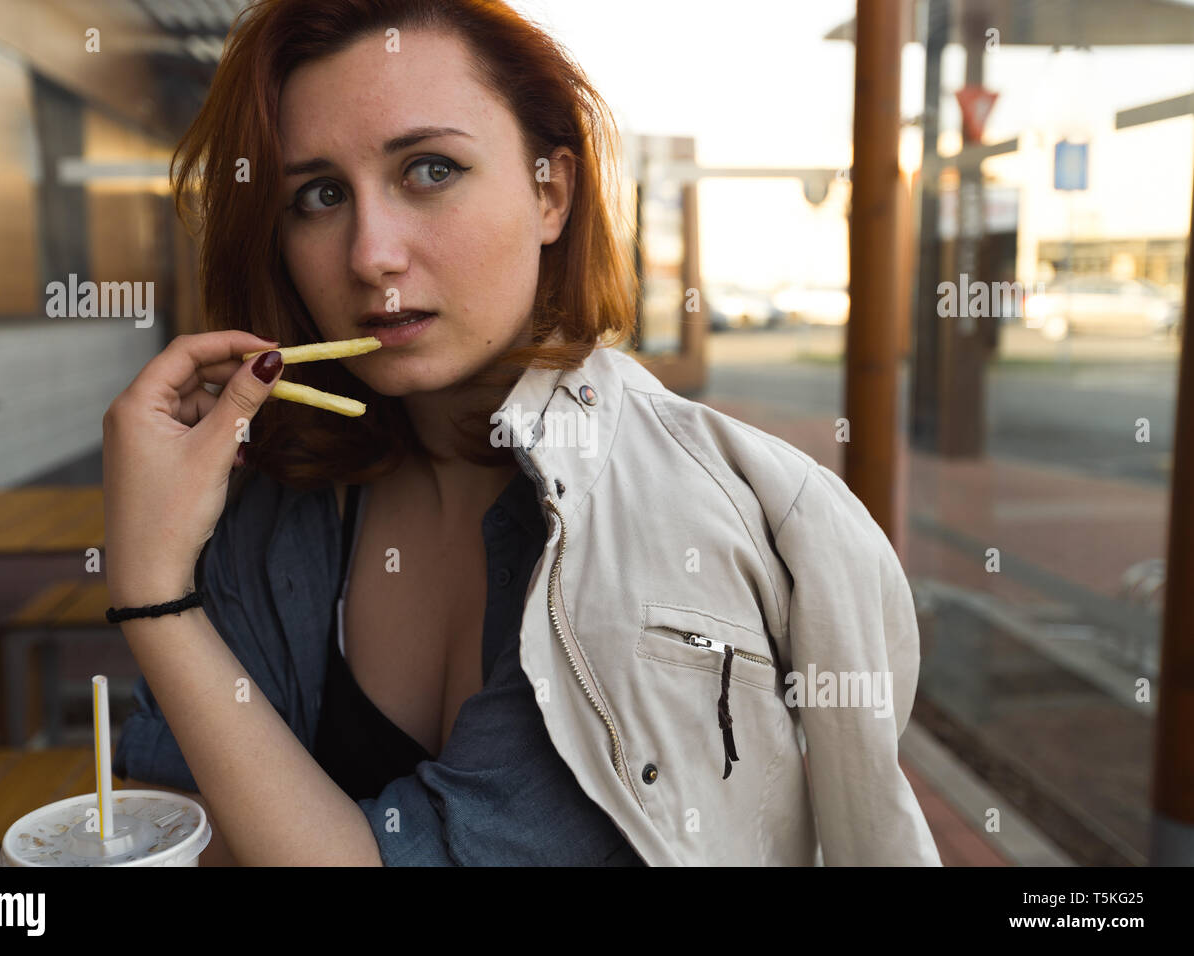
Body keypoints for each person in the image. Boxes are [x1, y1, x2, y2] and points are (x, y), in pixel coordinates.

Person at [104, 0, 941, 866]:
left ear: (551, 191)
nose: (370, 254)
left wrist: (153, 594)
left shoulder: (669, 524)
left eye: (429, 170)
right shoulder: (280, 493)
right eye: (317, 196)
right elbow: (182, 821)